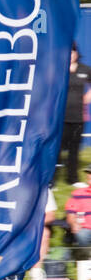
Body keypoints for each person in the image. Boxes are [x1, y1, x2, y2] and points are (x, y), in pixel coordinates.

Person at [63, 45, 91, 185]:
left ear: (76, 53)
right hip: (60, 117)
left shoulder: (84, 69)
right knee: (55, 151)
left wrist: (87, 97)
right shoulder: (58, 68)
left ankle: (72, 179)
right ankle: (51, 182)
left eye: (72, 52)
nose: (71, 55)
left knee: (74, 149)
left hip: (79, 116)